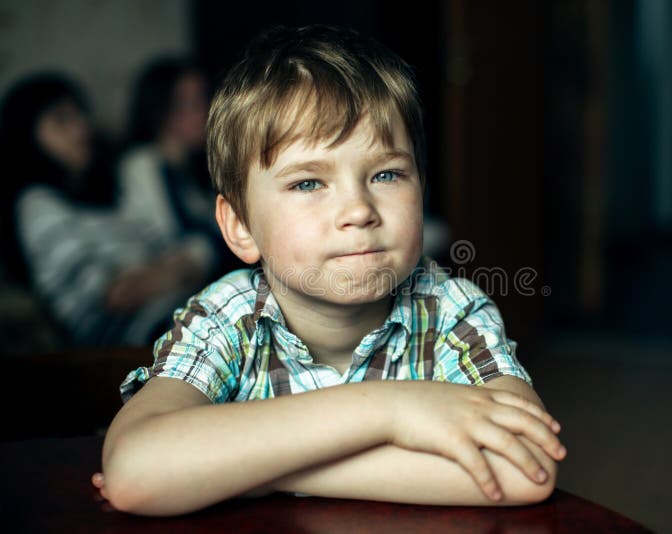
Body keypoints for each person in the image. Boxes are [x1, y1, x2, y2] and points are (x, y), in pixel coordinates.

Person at [93, 26, 567, 516]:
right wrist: (389, 411)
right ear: (240, 227)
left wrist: (257, 468)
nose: (359, 209)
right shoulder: (223, 319)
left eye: (386, 175)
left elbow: (525, 468)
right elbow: (135, 470)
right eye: (308, 183)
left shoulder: (454, 312)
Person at [2, 73, 206, 346]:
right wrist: (188, 264)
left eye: (80, 115)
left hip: (173, 318)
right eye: (62, 121)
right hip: (134, 341)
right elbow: (113, 296)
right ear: (28, 135)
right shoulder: (36, 204)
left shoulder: (99, 201)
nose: (81, 129)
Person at [115, 58, 226, 286]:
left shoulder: (193, 169)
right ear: (162, 111)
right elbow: (169, 240)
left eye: (205, 99)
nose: (205, 112)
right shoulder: (142, 164)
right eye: (191, 103)